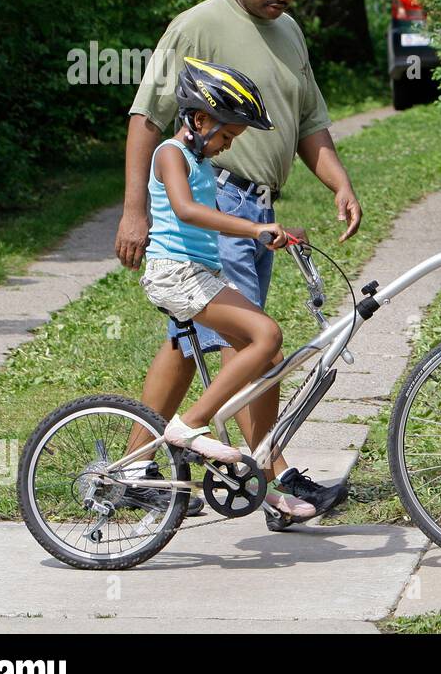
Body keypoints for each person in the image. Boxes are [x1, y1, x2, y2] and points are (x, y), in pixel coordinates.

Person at [118, 0, 360, 522]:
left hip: (259, 207)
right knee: (255, 339)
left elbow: (309, 121)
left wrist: (340, 181)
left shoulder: (290, 31)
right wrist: (133, 209)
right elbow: (147, 117)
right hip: (218, 206)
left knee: (190, 339)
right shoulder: (198, 25)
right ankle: (270, 479)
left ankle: (133, 469)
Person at [122, 58, 316, 518]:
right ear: (200, 119)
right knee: (266, 334)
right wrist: (253, 229)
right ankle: (190, 425)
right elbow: (186, 211)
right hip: (176, 273)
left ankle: (261, 472)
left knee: (265, 357)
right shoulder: (170, 153)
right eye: (227, 135)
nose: (228, 145)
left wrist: (278, 231)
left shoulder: (199, 160)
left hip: (201, 273)